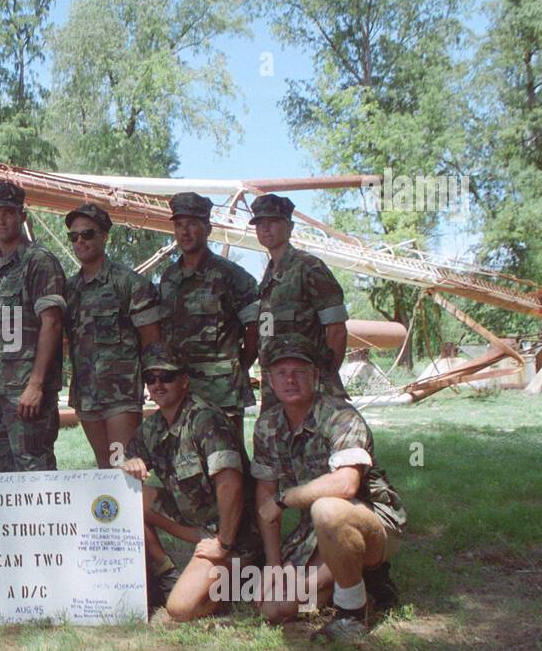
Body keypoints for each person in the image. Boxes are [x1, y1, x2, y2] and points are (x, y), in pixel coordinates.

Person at [250, 334, 405, 641]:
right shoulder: (267, 426)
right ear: (269, 380)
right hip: (317, 531)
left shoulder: (341, 416)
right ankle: (361, 585)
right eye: (281, 373)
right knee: (272, 609)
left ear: (316, 376)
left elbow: (346, 484)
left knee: (327, 507)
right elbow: (264, 498)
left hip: (370, 519)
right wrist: (272, 564)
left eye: (299, 372)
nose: (290, 380)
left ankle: (353, 614)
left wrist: (286, 498)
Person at [120, 343, 260, 617]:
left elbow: (231, 486)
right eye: (151, 378)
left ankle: (244, 578)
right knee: (129, 497)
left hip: (233, 532)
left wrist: (223, 544)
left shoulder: (206, 420)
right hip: (197, 527)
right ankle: (166, 574)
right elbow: (124, 469)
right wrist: (130, 465)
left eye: (167, 377)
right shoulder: (153, 427)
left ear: (184, 381)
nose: (158, 385)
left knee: (180, 609)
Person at [0, 180, 67, 473]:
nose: (2, 219)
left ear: (22, 216)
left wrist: (36, 385)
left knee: (34, 471)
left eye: (9, 212)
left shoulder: (38, 262)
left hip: (25, 390)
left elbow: (51, 324)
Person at [63, 201, 161, 468]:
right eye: (74, 236)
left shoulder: (129, 283)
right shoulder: (69, 290)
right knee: (105, 468)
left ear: (105, 236)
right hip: (86, 395)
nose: (80, 241)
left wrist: (154, 384)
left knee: (124, 467)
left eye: (88, 234)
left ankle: (142, 511)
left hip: (121, 396)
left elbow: (151, 340)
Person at [158, 192, 260, 437]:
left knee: (230, 461)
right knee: (187, 460)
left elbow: (256, 328)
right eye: (179, 225)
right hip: (180, 390)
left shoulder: (232, 276)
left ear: (208, 228)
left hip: (221, 391)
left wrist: (238, 366)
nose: (185, 232)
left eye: (192, 224)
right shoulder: (169, 278)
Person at [250, 193, 349, 409]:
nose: (266, 228)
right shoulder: (267, 278)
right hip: (276, 385)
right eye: (260, 223)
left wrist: (324, 377)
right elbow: (266, 332)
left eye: (273, 222)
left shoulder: (310, 268)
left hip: (308, 384)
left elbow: (337, 330)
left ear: (290, 227)